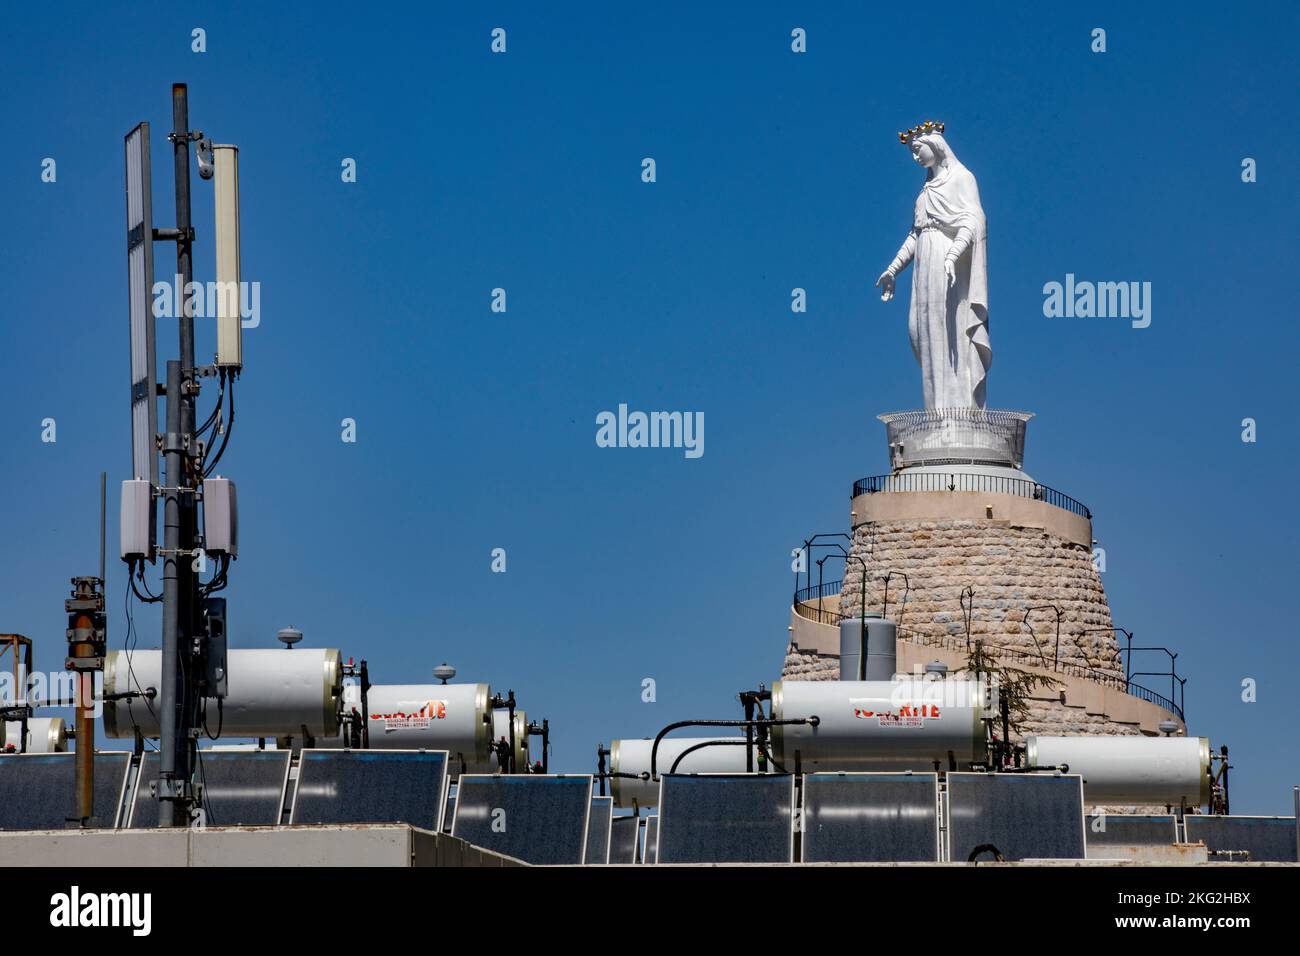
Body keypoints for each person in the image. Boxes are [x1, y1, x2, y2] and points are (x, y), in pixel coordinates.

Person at [876, 122, 991, 410]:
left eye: (918, 150)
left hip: (946, 263)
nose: (916, 158)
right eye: (912, 153)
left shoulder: (962, 179)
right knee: (922, 331)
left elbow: (973, 221)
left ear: (935, 145)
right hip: (924, 266)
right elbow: (916, 235)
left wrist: (953, 254)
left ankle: (956, 410)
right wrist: (893, 269)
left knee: (948, 330)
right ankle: (936, 409)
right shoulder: (924, 191)